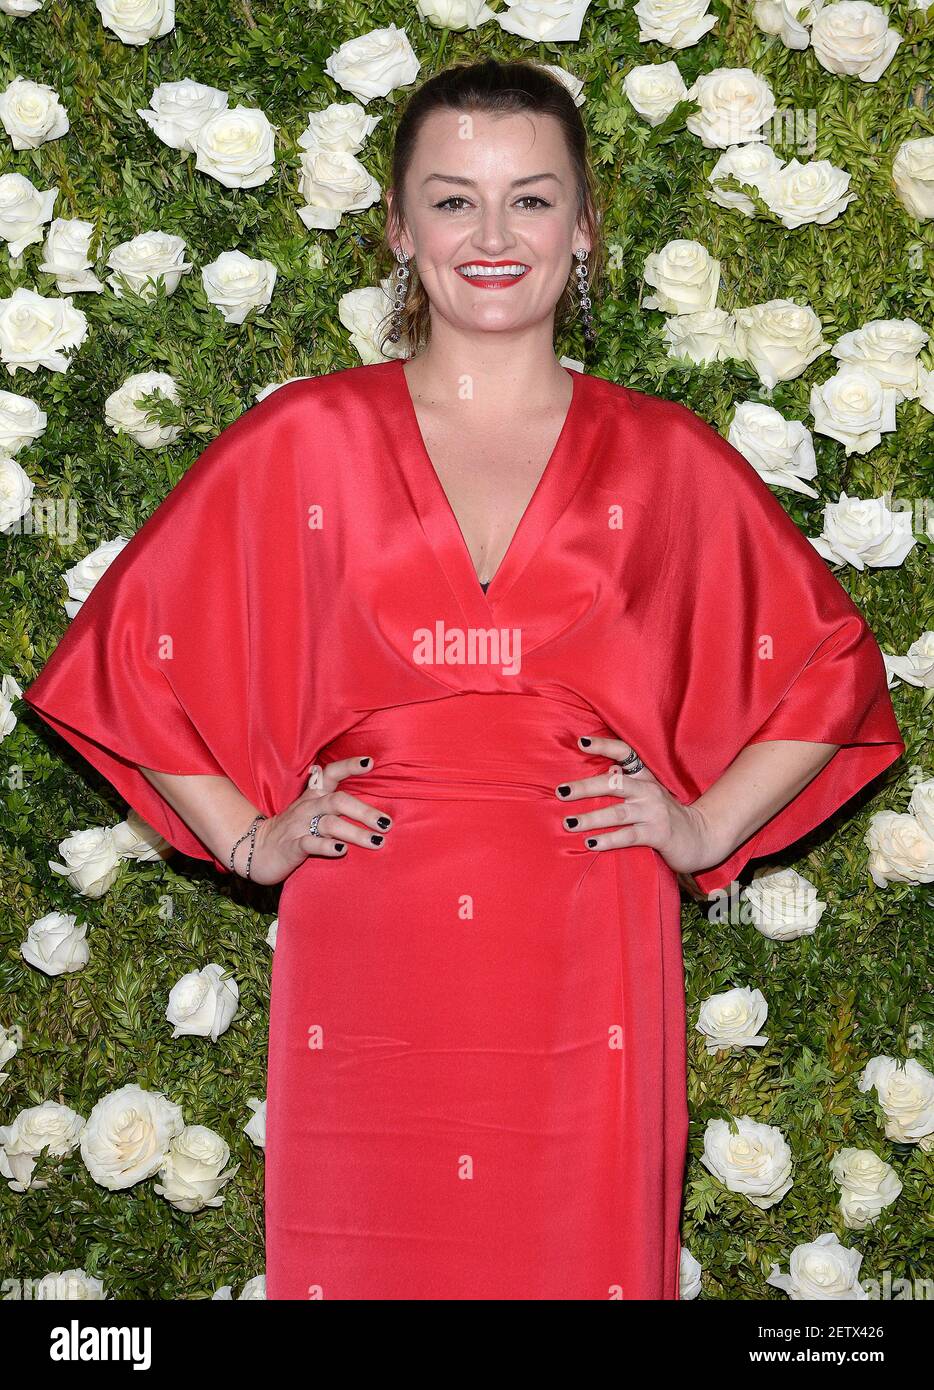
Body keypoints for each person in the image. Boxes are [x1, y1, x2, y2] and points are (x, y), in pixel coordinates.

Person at [22, 59, 905, 1300]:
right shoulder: (305, 437)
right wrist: (247, 842)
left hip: (588, 927)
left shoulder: (666, 455)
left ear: (585, 225)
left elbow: (830, 666)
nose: (492, 238)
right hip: (367, 928)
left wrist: (703, 822)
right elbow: (123, 655)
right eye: (452, 200)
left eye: (531, 200)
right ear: (396, 226)